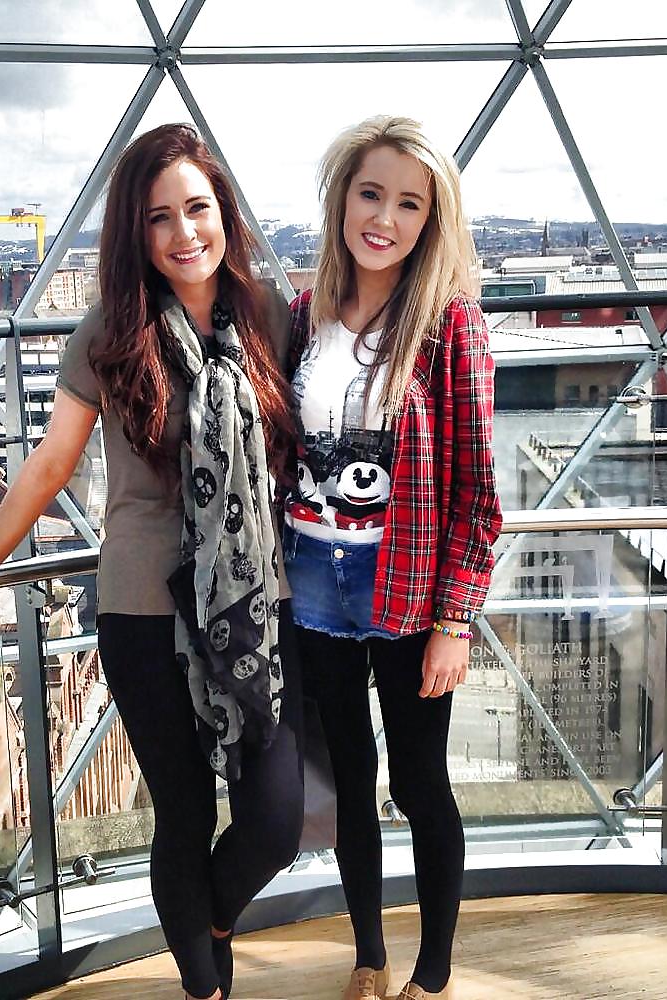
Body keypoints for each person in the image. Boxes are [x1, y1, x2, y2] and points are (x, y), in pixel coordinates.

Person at [0, 123, 304, 1000]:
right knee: (184, 813)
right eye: (160, 217)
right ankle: (204, 985)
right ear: (135, 233)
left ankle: (211, 921)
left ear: (224, 212)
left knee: (273, 824)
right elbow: (49, 463)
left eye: (198, 208)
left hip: (255, 607)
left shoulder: (269, 314)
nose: (184, 233)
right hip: (144, 609)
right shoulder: (110, 335)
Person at [282, 115, 502, 1000]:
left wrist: (456, 619)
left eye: (410, 203)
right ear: (342, 199)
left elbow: (478, 491)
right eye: (370, 194)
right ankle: (368, 957)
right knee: (349, 780)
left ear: (432, 219)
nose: (385, 218)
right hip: (313, 579)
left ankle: (434, 970)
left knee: (418, 783)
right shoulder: (304, 315)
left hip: (405, 589)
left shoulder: (451, 325)